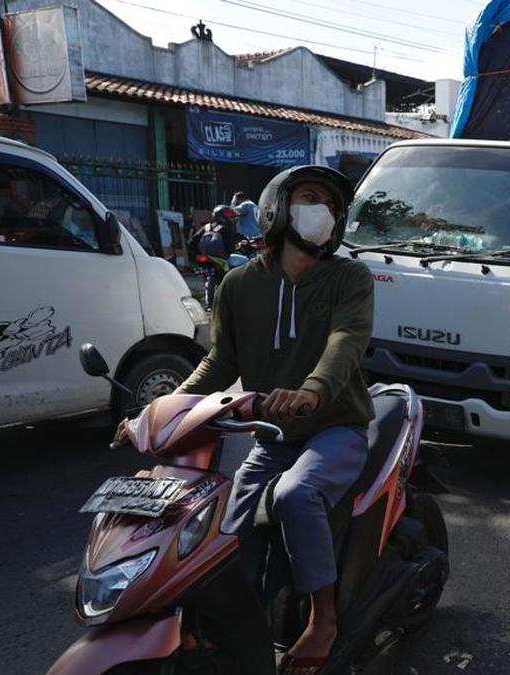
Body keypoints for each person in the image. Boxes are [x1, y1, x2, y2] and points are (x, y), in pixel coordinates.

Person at [171, 166, 375, 672]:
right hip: (271, 436)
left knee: (294, 495)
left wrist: (313, 389)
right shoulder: (240, 285)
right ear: (276, 209)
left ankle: (322, 620)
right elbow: (221, 362)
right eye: (310, 197)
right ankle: (244, 627)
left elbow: (345, 340)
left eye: (331, 204)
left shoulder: (350, 277)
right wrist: (164, 408)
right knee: (228, 524)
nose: (322, 210)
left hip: (336, 427)